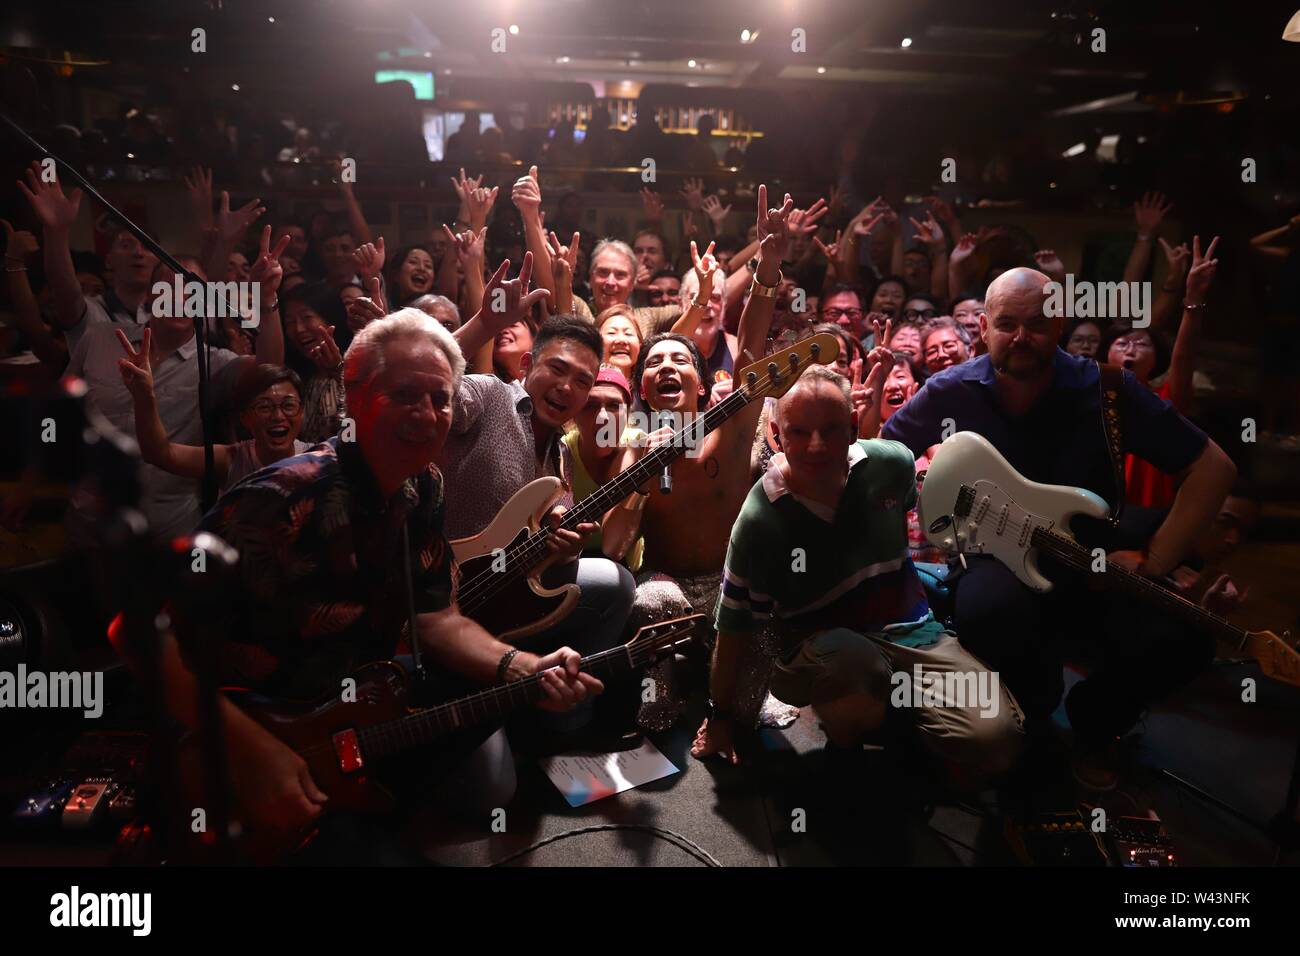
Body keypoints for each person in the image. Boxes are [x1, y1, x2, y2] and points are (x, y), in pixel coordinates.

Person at [151, 310, 600, 856]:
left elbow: (436, 618)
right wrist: (253, 751)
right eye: (405, 394)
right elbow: (142, 634)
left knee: (490, 702)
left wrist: (528, 668)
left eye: (440, 399)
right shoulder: (283, 495)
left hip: (348, 720)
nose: (427, 413)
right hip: (240, 741)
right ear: (354, 398)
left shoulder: (424, 490)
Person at [881, 267, 1237, 787]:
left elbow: (1215, 468)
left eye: (1036, 324)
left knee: (1187, 637)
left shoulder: (1109, 391)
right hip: (998, 563)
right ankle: (1032, 716)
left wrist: (1157, 558)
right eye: (1007, 324)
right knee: (987, 610)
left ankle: (1097, 724)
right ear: (983, 327)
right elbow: (884, 457)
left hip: (1094, 563)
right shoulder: (951, 390)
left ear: (1060, 324)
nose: (1021, 337)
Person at [692, 365, 1023, 775]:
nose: (816, 446)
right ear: (777, 435)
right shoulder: (759, 520)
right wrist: (720, 715)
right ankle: (851, 744)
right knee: (853, 660)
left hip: (913, 633)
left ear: (852, 428)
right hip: (823, 651)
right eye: (799, 432)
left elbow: (900, 510)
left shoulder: (893, 464)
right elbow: (735, 628)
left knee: (997, 740)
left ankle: (892, 728)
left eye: (830, 429)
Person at [449, 258, 637, 731]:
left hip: (507, 603)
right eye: (558, 369)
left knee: (615, 582)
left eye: (583, 382)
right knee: (492, 789)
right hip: (440, 602)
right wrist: (485, 323)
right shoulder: (490, 395)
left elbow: (554, 519)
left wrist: (561, 541)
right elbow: (426, 387)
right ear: (529, 364)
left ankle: (560, 707)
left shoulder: (560, 457)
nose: (568, 388)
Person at [121, 360, 311, 494]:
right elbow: (160, 454)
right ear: (245, 418)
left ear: (301, 412)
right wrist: (144, 396)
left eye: (288, 406)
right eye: (264, 407)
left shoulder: (317, 458)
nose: (278, 416)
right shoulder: (231, 459)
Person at [563, 366, 648, 573]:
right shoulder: (562, 454)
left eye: (613, 405)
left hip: (630, 570)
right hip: (572, 567)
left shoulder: (643, 446)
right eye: (590, 405)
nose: (603, 417)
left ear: (628, 412)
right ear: (574, 413)